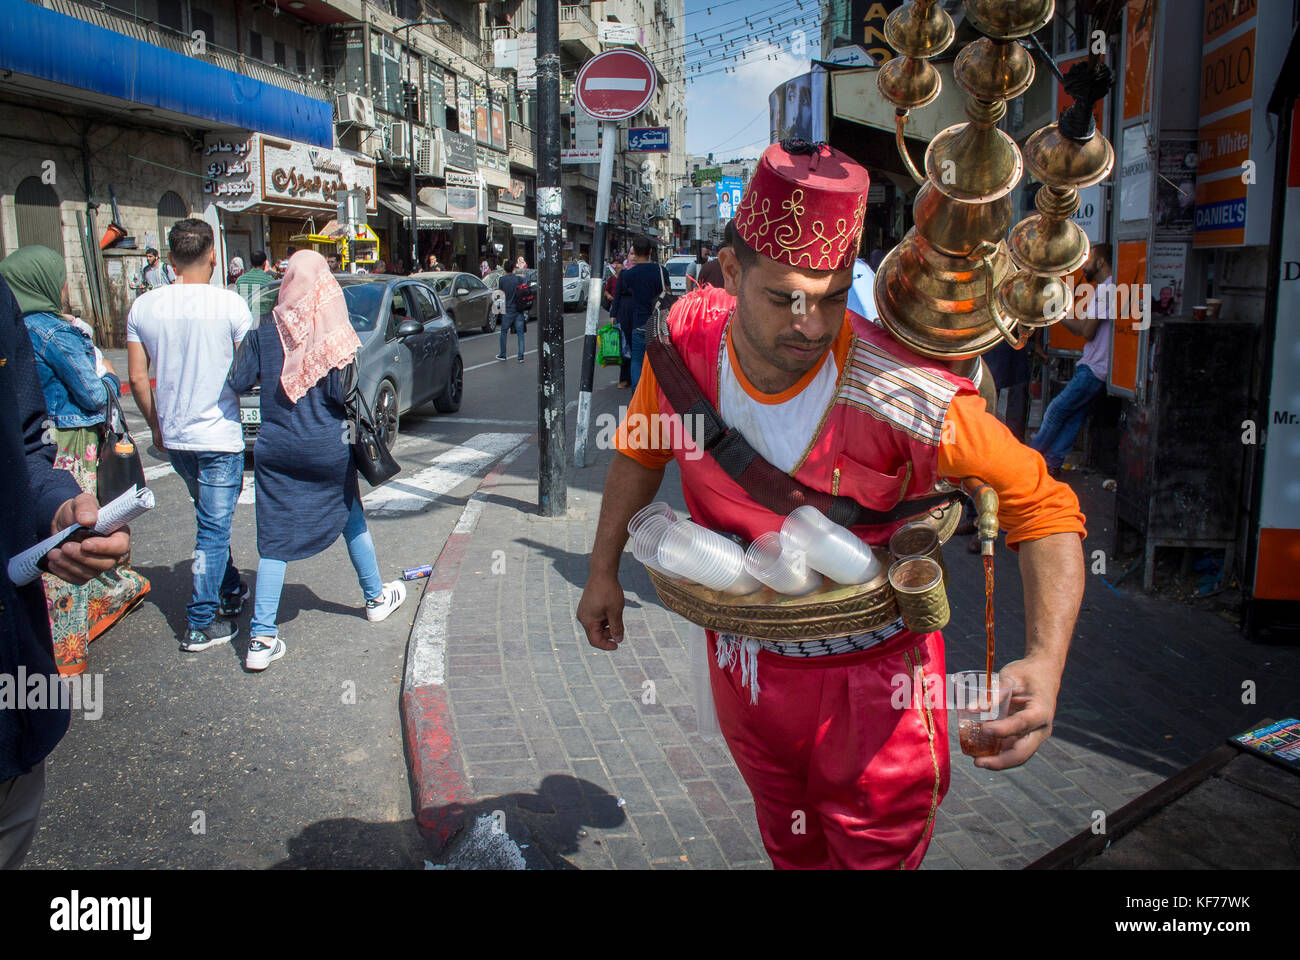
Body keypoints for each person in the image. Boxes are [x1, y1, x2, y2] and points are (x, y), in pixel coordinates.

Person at [576, 140, 1087, 870]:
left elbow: (1043, 505)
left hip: (875, 694)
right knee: (789, 848)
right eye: (782, 296)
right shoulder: (685, 343)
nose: (809, 324)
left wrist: (1045, 659)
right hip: (746, 670)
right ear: (731, 272)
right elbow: (640, 450)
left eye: (828, 295)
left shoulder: (906, 396)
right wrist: (603, 572)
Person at [0, 273, 132, 868]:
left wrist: (56, 505)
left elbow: (23, 446)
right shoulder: (58, 330)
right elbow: (94, 386)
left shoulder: (6, 307)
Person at [226, 251, 406, 670]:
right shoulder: (334, 330)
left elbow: (237, 381)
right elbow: (337, 396)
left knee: (273, 539)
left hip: (274, 450)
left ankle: (261, 638)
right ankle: (376, 597)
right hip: (327, 447)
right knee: (350, 514)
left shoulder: (264, 332)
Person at [0, 245, 150, 675]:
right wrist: (105, 372)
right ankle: (68, 648)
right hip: (69, 445)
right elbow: (91, 392)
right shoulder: (52, 330)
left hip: (35, 447)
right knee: (74, 542)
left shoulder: (14, 329)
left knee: (48, 547)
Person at [127, 218, 252, 653]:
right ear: (214, 255)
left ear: (170, 256)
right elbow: (245, 374)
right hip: (218, 436)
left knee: (211, 521)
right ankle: (200, 621)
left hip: (178, 438)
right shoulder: (232, 306)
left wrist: (158, 428)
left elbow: (139, 380)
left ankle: (231, 587)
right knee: (213, 529)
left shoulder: (143, 307)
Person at [1030, 243, 1113, 476]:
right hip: (1097, 367)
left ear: (1100, 262)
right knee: (1073, 416)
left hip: (1094, 368)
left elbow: (1087, 331)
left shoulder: (1108, 289)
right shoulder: (1106, 288)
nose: (1084, 266)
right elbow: (1081, 328)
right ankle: (1052, 462)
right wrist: (1056, 311)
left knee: (1056, 410)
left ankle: (1029, 461)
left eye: (1088, 261)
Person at [610, 237, 668, 389]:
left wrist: (613, 314)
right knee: (659, 360)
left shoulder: (627, 275)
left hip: (639, 324)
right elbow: (668, 293)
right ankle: (657, 392)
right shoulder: (661, 271)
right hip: (659, 325)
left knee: (637, 360)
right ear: (650, 251)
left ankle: (638, 394)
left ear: (634, 252)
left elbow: (620, 294)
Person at [494, 260, 528, 364]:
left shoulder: (502, 280)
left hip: (507, 309)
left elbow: (500, 294)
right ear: (513, 268)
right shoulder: (518, 279)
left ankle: (503, 354)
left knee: (504, 332)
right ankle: (520, 356)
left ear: (504, 269)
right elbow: (526, 281)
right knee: (520, 333)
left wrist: (499, 309)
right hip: (518, 309)